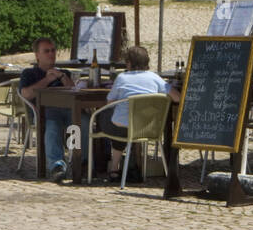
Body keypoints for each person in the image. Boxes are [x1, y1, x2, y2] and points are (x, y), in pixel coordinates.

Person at [98, 45, 180, 182]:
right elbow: (177, 97)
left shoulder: (122, 77)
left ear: (128, 63)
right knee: (124, 122)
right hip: (149, 127)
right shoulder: (155, 78)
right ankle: (121, 167)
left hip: (122, 128)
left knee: (109, 117)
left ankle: (110, 168)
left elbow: (109, 101)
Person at [19, 37, 78, 181]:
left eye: (53, 50)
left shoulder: (64, 72)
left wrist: (62, 77)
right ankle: (56, 165)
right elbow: (26, 94)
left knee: (83, 121)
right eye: (46, 51)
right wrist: (48, 79)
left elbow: (74, 90)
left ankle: (81, 161)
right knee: (52, 124)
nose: (51, 54)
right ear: (37, 55)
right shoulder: (29, 73)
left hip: (68, 110)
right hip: (43, 112)